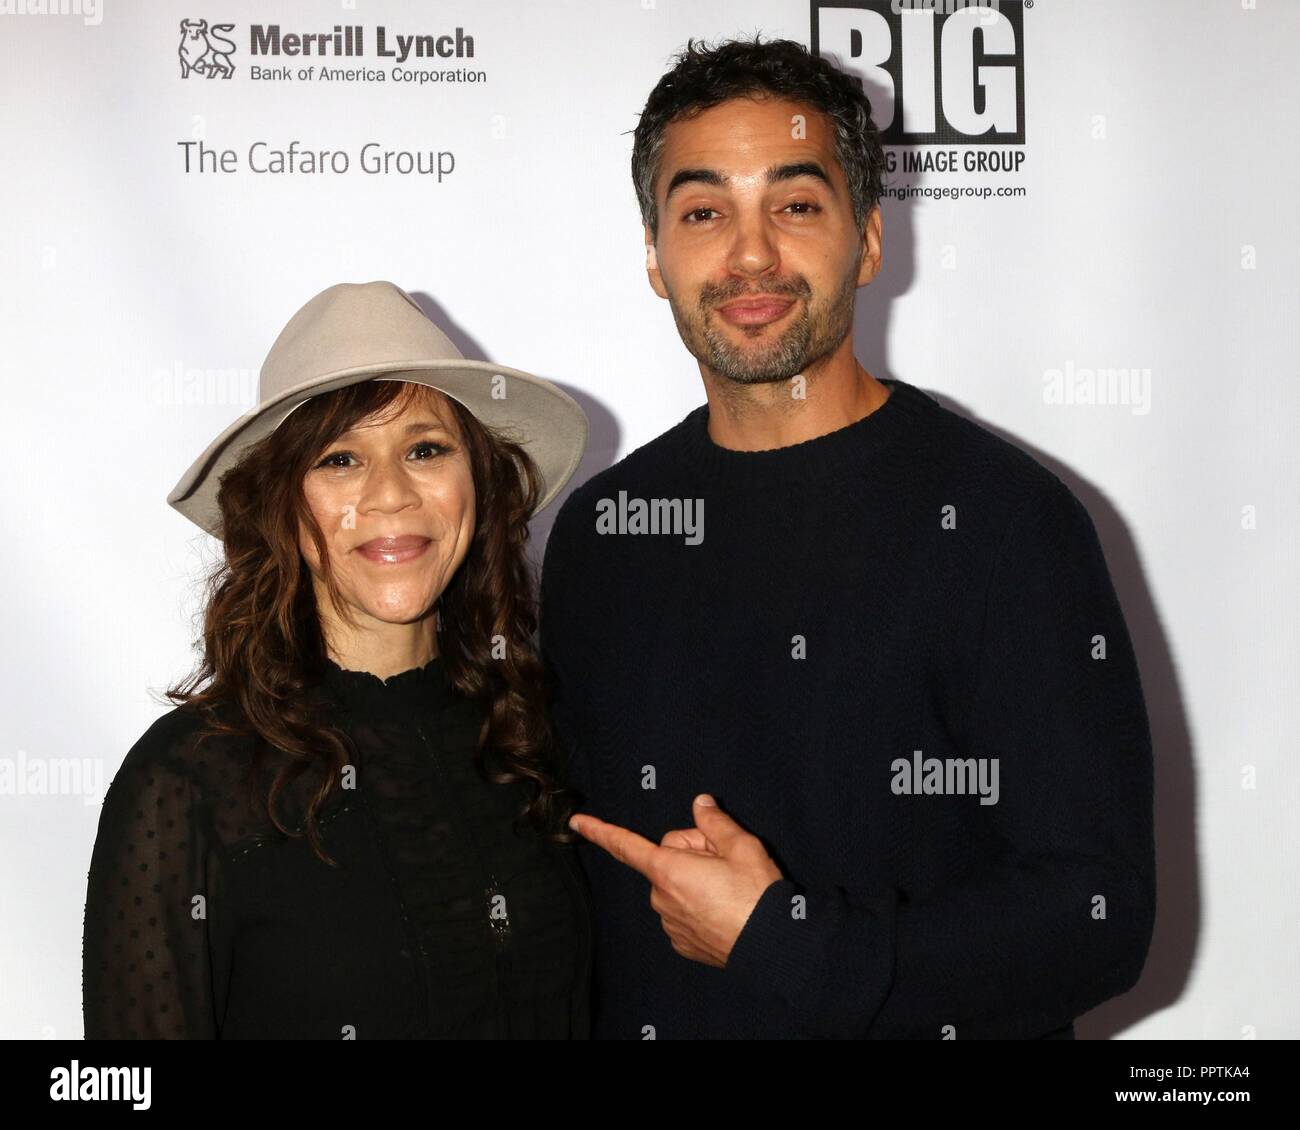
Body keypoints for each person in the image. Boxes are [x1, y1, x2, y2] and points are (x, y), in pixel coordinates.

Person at [539, 36, 1157, 1039]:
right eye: (703, 211)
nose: (749, 254)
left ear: (868, 239)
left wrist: (787, 940)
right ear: (654, 257)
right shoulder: (601, 533)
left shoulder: (1005, 521)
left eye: (794, 204)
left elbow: (1102, 913)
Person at [82, 280, 593, 1038]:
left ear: (477, 484)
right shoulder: (188, 778)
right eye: (340, 459)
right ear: (281, 505)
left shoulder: (531, 737)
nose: (388, 495)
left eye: (426, 449)